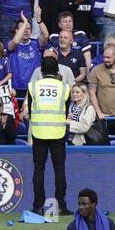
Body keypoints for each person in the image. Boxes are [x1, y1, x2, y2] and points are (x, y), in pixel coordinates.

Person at [23, 55, 69, 217]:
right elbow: (66, 109)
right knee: (60, 170)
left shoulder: (33, 87)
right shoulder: (64, 88)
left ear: (41, 71)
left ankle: (37, 206)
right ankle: (61, 205)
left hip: (39, 133)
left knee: (39, 170)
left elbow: (31, 108)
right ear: (57, 70)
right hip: (58, 133)